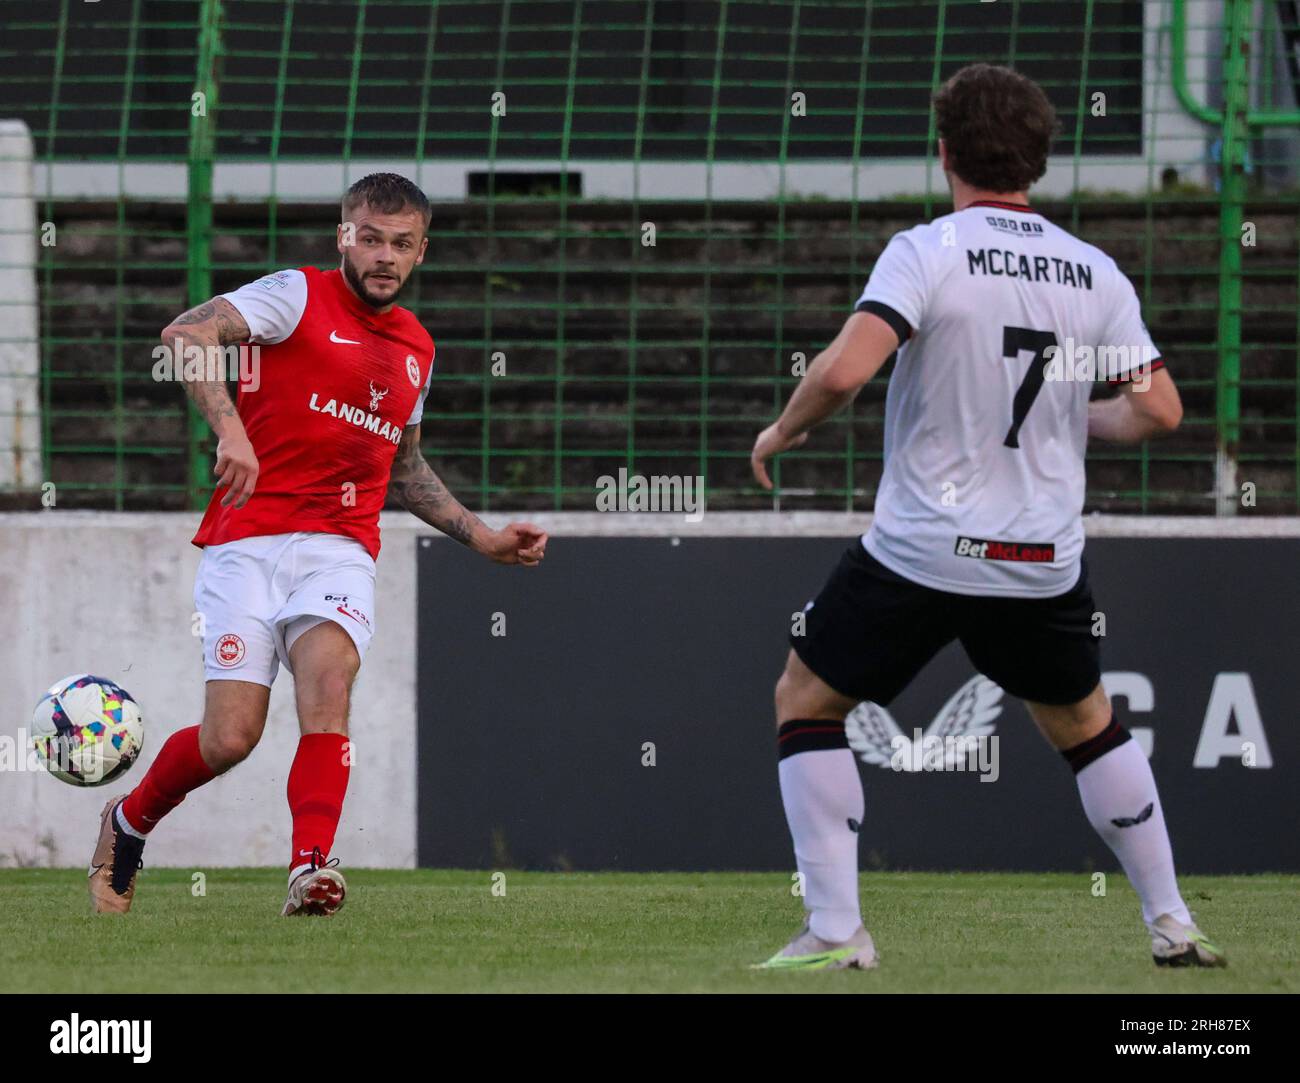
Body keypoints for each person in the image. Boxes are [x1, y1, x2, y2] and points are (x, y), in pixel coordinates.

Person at [749, 65, 1224, 970]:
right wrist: (1073, 416)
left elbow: (846, 371)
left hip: (922, 551)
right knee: (1089, 726)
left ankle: (838, 930)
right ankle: (1172, 923)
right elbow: (1161, 410)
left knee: (805, 701)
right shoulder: (1095, 272)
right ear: (1039, 160)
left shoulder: (928, 249)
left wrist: (781, 429)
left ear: (945, 152)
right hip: (1039, 558)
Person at [88, 173, 547, 917]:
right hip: (246, 538)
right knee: (230, 737)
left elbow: (405, 467)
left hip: (339, 546)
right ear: (345, 236)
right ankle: (126, 820)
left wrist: (485, 537)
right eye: (370, 238)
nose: (384, 256)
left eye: (401, 243)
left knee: (329, 686)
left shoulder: (417, 350)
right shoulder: (295, 295)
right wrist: (232, 430)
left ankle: (310, 866)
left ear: (422, 250)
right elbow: (185, 334)